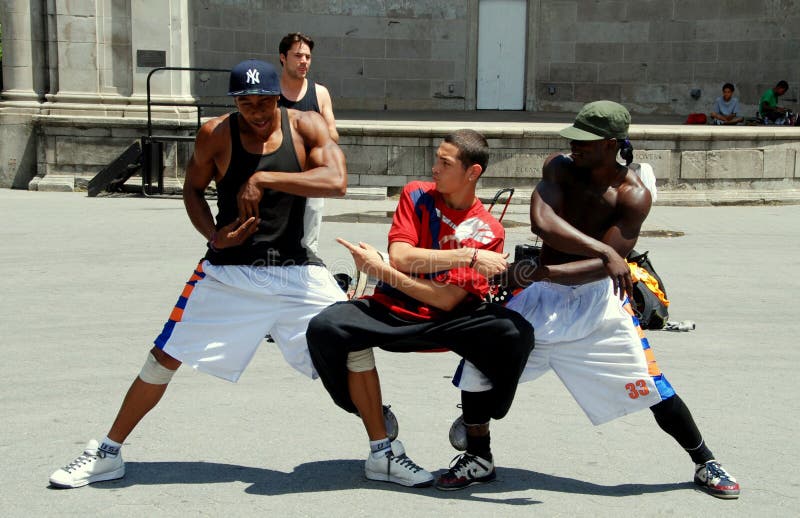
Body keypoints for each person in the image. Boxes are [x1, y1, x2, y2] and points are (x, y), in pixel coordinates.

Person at [49, 59, 348, 488]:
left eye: (264, 102)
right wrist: (213, 236)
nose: (257, 112)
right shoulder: (215, 133)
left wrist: (264, 178)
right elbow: (192, 189)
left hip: (296, 269)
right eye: (247, 104)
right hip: (228, 272)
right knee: (163, 356)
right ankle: (108, 452)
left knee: (352, 342)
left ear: (277, 98)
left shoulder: (306, 125)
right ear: (235, 103)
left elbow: (337, 180)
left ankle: (383, 451)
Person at [451, 101, 740, 499]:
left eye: (585, 142)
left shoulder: (632, 195)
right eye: (574, 138)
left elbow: (603, 271)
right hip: (541, 298)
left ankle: (704, 460)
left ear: (611, 144)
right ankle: (479, 457)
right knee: (477, 362)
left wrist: (559, 268)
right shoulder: (559, 167)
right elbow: (543, 223)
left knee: (652, 386)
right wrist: (603, 251)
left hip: (597, 305)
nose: (575, 147)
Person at [305, 129, 534, 490]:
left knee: (513, 333)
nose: (434, 168)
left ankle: (479, 438)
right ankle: (377, 433)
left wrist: (380, 271)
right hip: (393, 308)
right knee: (326, 327)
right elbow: (402, 255)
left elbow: (445, 299)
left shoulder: (488, 230)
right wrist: (467, 256)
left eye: (445, 163)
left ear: (472, 172)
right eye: (436, 160)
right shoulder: (416, 194)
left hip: (452, 318)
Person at [278, 32, 338, 142]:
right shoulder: (270, 93)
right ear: (283, 57)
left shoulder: (320, 93)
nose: (304, 61)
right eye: (298, 56)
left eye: (308, 57)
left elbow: (333, 136)